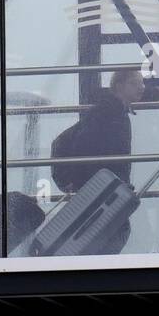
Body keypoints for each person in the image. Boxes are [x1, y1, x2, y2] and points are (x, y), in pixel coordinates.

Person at [50, 68, 146, 254]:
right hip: (101, 184)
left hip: (102, 182)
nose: (141, 88)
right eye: (134, 83)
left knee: (110, 229)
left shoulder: (113, 110)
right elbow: (85, 145)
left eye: (142, 83)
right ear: (119, 86)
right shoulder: (109, 112)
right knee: (117, 230)